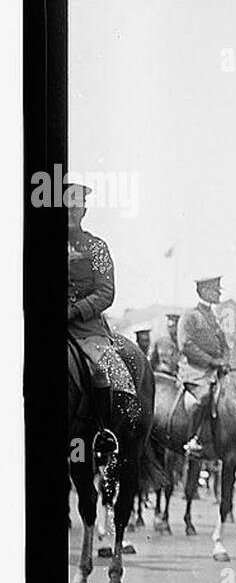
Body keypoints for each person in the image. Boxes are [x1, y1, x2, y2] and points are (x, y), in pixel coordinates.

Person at [67, 180, 138, 447]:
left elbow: (106, 292)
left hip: (86, 328)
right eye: (66, 208)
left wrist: (75, 310)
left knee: (102, 369)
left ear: (84, 212)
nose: (70, 213)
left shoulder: (96, 248)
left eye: (76, 208)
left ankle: (102, 433)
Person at [177, 276, 230, 455]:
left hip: (215, 370)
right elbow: (185, 345)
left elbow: (224, 344)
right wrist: (212, 361)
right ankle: (193, 439)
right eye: (216, 290)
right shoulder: (190, 316)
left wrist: (225, 360)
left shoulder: (213, 318)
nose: (218, 294)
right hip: (195, 371)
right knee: (204, 396)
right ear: (205, 291)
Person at [150, 312, 182, 376]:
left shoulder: (183, 344)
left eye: (176, 326)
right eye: (171, 326)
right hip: (162, 376)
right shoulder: (160, 342)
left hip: (179, 378)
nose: (174, 330)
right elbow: (152, 362)